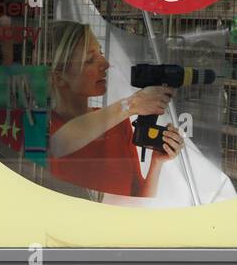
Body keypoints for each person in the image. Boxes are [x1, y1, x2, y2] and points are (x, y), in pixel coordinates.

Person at [44, 21, 181, 197]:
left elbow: (137, 199)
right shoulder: (45, 127)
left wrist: (157, 162)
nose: (106, 63)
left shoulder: (118, 124)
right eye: (90, 59)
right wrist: (132, 105)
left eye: (100, 53)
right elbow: (59, 143)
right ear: (59, 77)